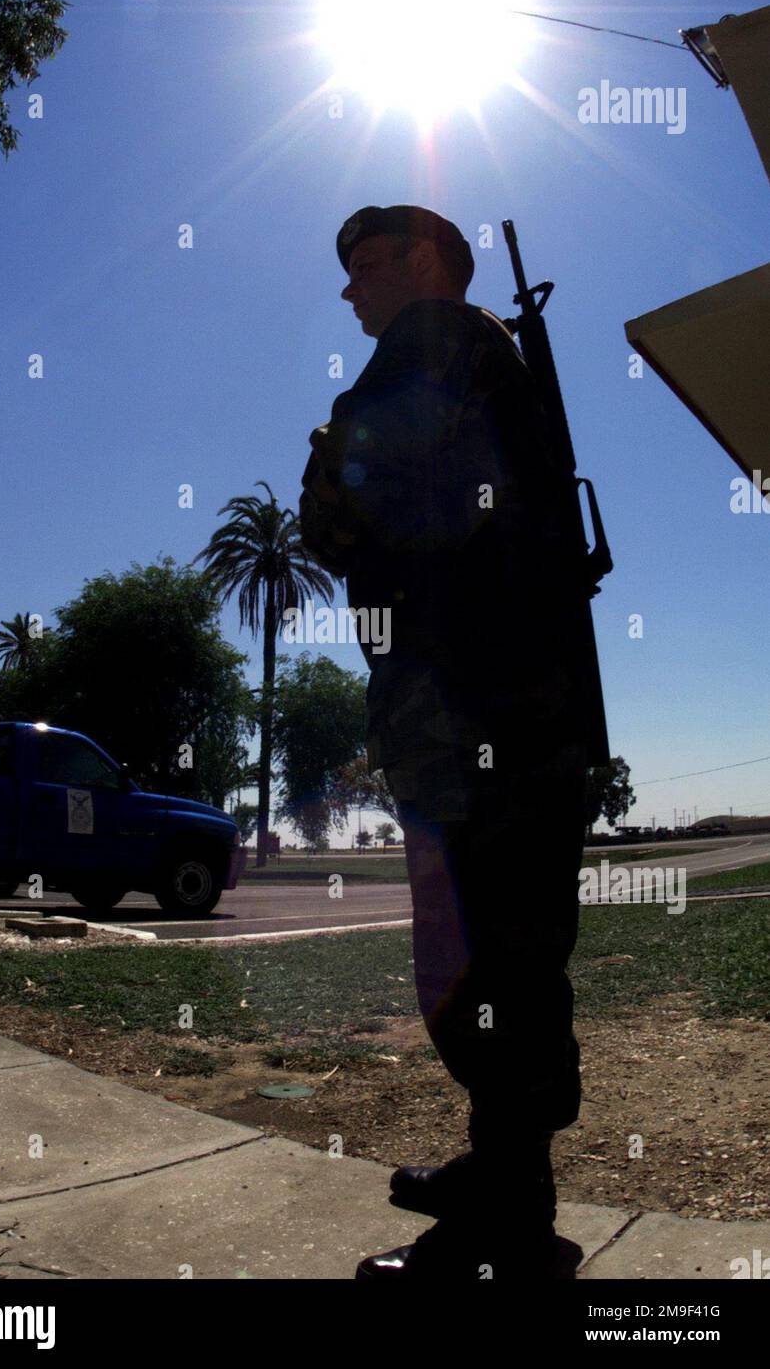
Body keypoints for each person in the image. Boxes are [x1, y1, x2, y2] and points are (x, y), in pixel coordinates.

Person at [299, 205, 589, 1280]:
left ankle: (508, 1224)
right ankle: (506, 1176)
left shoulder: (428, 351)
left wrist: (332, 474)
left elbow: (345, 514)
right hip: (508, 722)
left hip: (478, 730)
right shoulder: (484, 362)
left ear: (427, 263)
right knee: (503, 960)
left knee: (478, 964)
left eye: (365, 263)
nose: (349, 289)